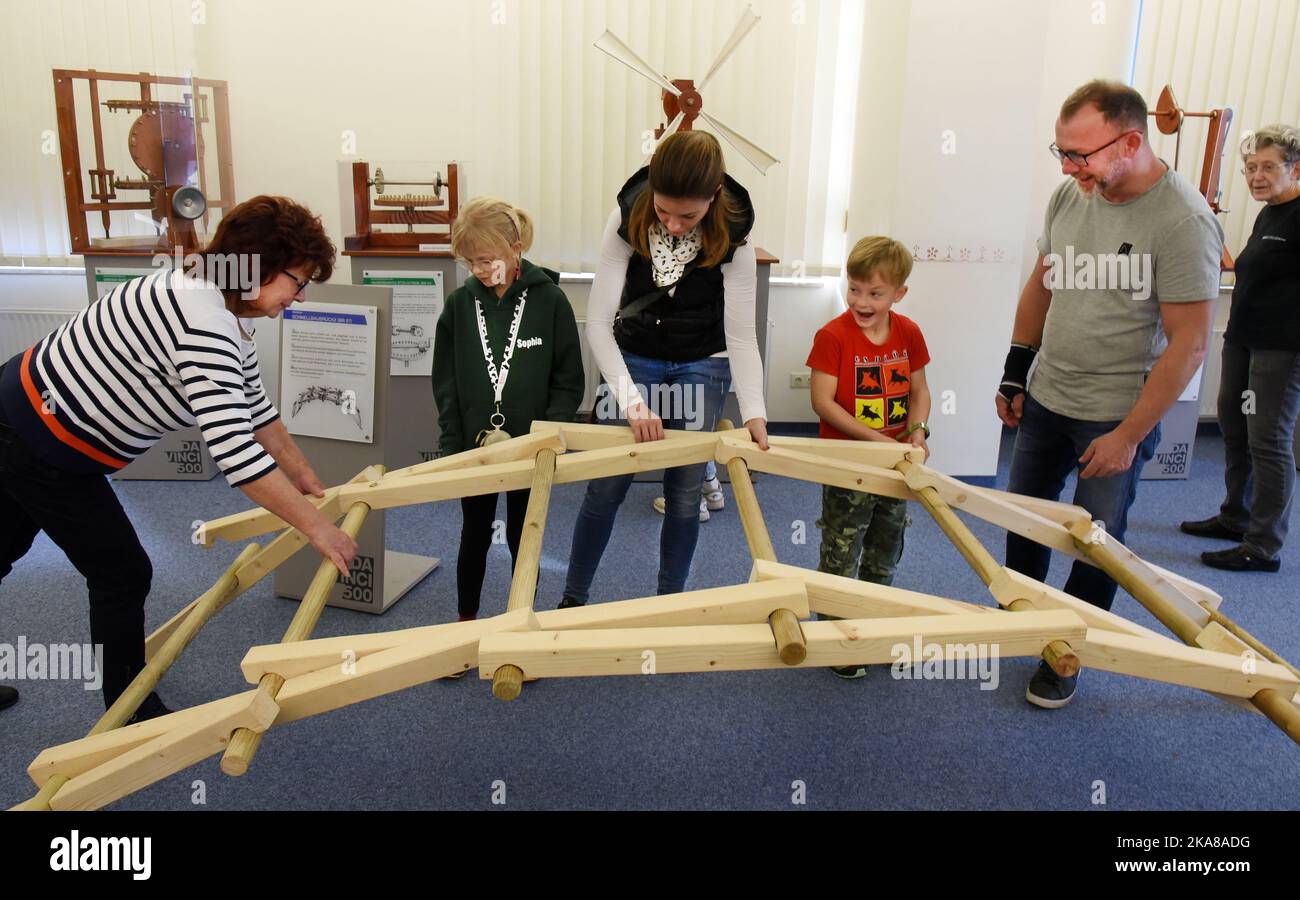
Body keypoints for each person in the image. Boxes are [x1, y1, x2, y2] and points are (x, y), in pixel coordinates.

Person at [0, 196, 358, 719]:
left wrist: (302, 472)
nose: (299, 297)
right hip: (38, 441)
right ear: (258, 265)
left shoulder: (217, 301)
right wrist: (318, 531)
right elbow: (235, 451)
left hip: (25, 417)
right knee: (123, 573)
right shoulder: (204, 318)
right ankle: (130, 714)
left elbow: (254, 406)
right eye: (297, 281)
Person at [996, 80, 1222, 709]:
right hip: (1048, 396)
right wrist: (1017, 367)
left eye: (1081, 155)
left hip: (1115, 414)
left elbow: (1189, 346)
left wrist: (1129, 435)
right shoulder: (1071, 196)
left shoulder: (1182, 221)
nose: (1069, 169)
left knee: (1097, 539)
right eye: (1061, 153)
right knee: (1028, 516)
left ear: (1130, 141)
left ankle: (1069, 655)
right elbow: (1043, 284)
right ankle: (1022, 617)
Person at [559, 130, 769, 608]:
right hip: (635, 353)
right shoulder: (625, 213)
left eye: (689, 215)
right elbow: (597, 325)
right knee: (606, 484)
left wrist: (754, 411)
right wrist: (633, 403)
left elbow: (740, 337)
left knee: (684, 493)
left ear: (714, 198)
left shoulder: (736, 230)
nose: (673, 225)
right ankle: (573, 599)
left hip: (703, 358)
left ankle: (668, 606)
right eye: (663, 211)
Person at [433, 198, 584, 622]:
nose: (479, 270)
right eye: (470, 262)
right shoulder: (460, 307)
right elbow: (444, 382)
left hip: (531, 448)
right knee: (474, 534)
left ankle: (521, 619)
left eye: (487, 260)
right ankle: (465, 622)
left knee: (525, 536)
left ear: (516, 247)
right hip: (474, 447)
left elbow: (568, 379)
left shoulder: (551, 301)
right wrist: (451, 442)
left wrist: (549, 437)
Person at [807, 236, 931, 679]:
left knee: (885, 549)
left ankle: (874, 630)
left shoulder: (909, 333)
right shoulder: (832, 336)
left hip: (896, 463)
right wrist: (879, 442)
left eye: (875, 293)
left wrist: (916, 432)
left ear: (898, 294)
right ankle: (838, 640)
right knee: (842, 547)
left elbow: (919, 391)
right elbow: (824, 404)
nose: (861, 300)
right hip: (848, 463)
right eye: (854, 288)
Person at [1181, 124, 1300, 572]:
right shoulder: (1269, 213)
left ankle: (1263, 544)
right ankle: (1236, 517)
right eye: (1251, 168)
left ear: (1295, 168)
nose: (1256, 176)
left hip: (1283, 348)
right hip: (1244, 339)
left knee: (1268, 439)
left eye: (1268, 167)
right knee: (1236, 428)